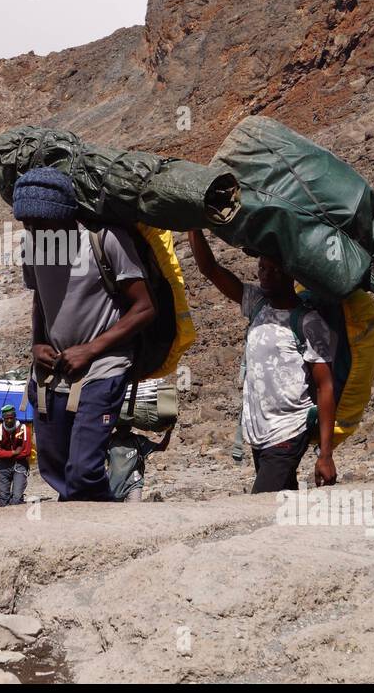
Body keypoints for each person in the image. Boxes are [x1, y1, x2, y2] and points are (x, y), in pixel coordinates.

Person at [17, 168, 156, 501]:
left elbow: (145, 308)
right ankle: (84, 526)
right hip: (55, 371)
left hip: (103, 367)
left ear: (64, 217)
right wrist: (37, 342)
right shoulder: (33, 244)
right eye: (28, 225)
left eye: (41, 224)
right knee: (54, 466)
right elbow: (40, 298)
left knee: (83, 468)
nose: (34, 231)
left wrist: (90, 350)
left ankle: (103, 531)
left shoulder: (104, 239)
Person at [188, 231, 338, 493]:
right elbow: (210, 269)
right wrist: (192, 225)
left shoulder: (308, 323)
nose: (265, 274)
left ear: (291, 274)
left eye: (273, 270)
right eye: (261, 268)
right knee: (282, 502)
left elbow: (325, 386)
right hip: (259, 432)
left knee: (263, 499)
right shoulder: (257, 303)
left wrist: (325, 455)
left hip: (289, 429)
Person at [107, 415, 171, 502]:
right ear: (116, 426)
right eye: (122, 426)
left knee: (134, 511)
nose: (124, 429)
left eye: (126, 426)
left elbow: (161, 447)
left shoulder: (138, 441)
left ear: (130, 426)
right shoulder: (109, 440)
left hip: (134, 484)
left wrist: (169, 432)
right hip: (113, 484)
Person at [0, 404, 32, 506]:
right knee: (3, 499)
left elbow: (27, 451)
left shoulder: (24, 430)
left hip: (20, 465)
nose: (9, 420)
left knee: (16, 499)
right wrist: (13, 453)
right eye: (6, 418)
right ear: (3, 418)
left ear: (15, 417)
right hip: (4, 465)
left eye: (11, 418)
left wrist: (3, 453)